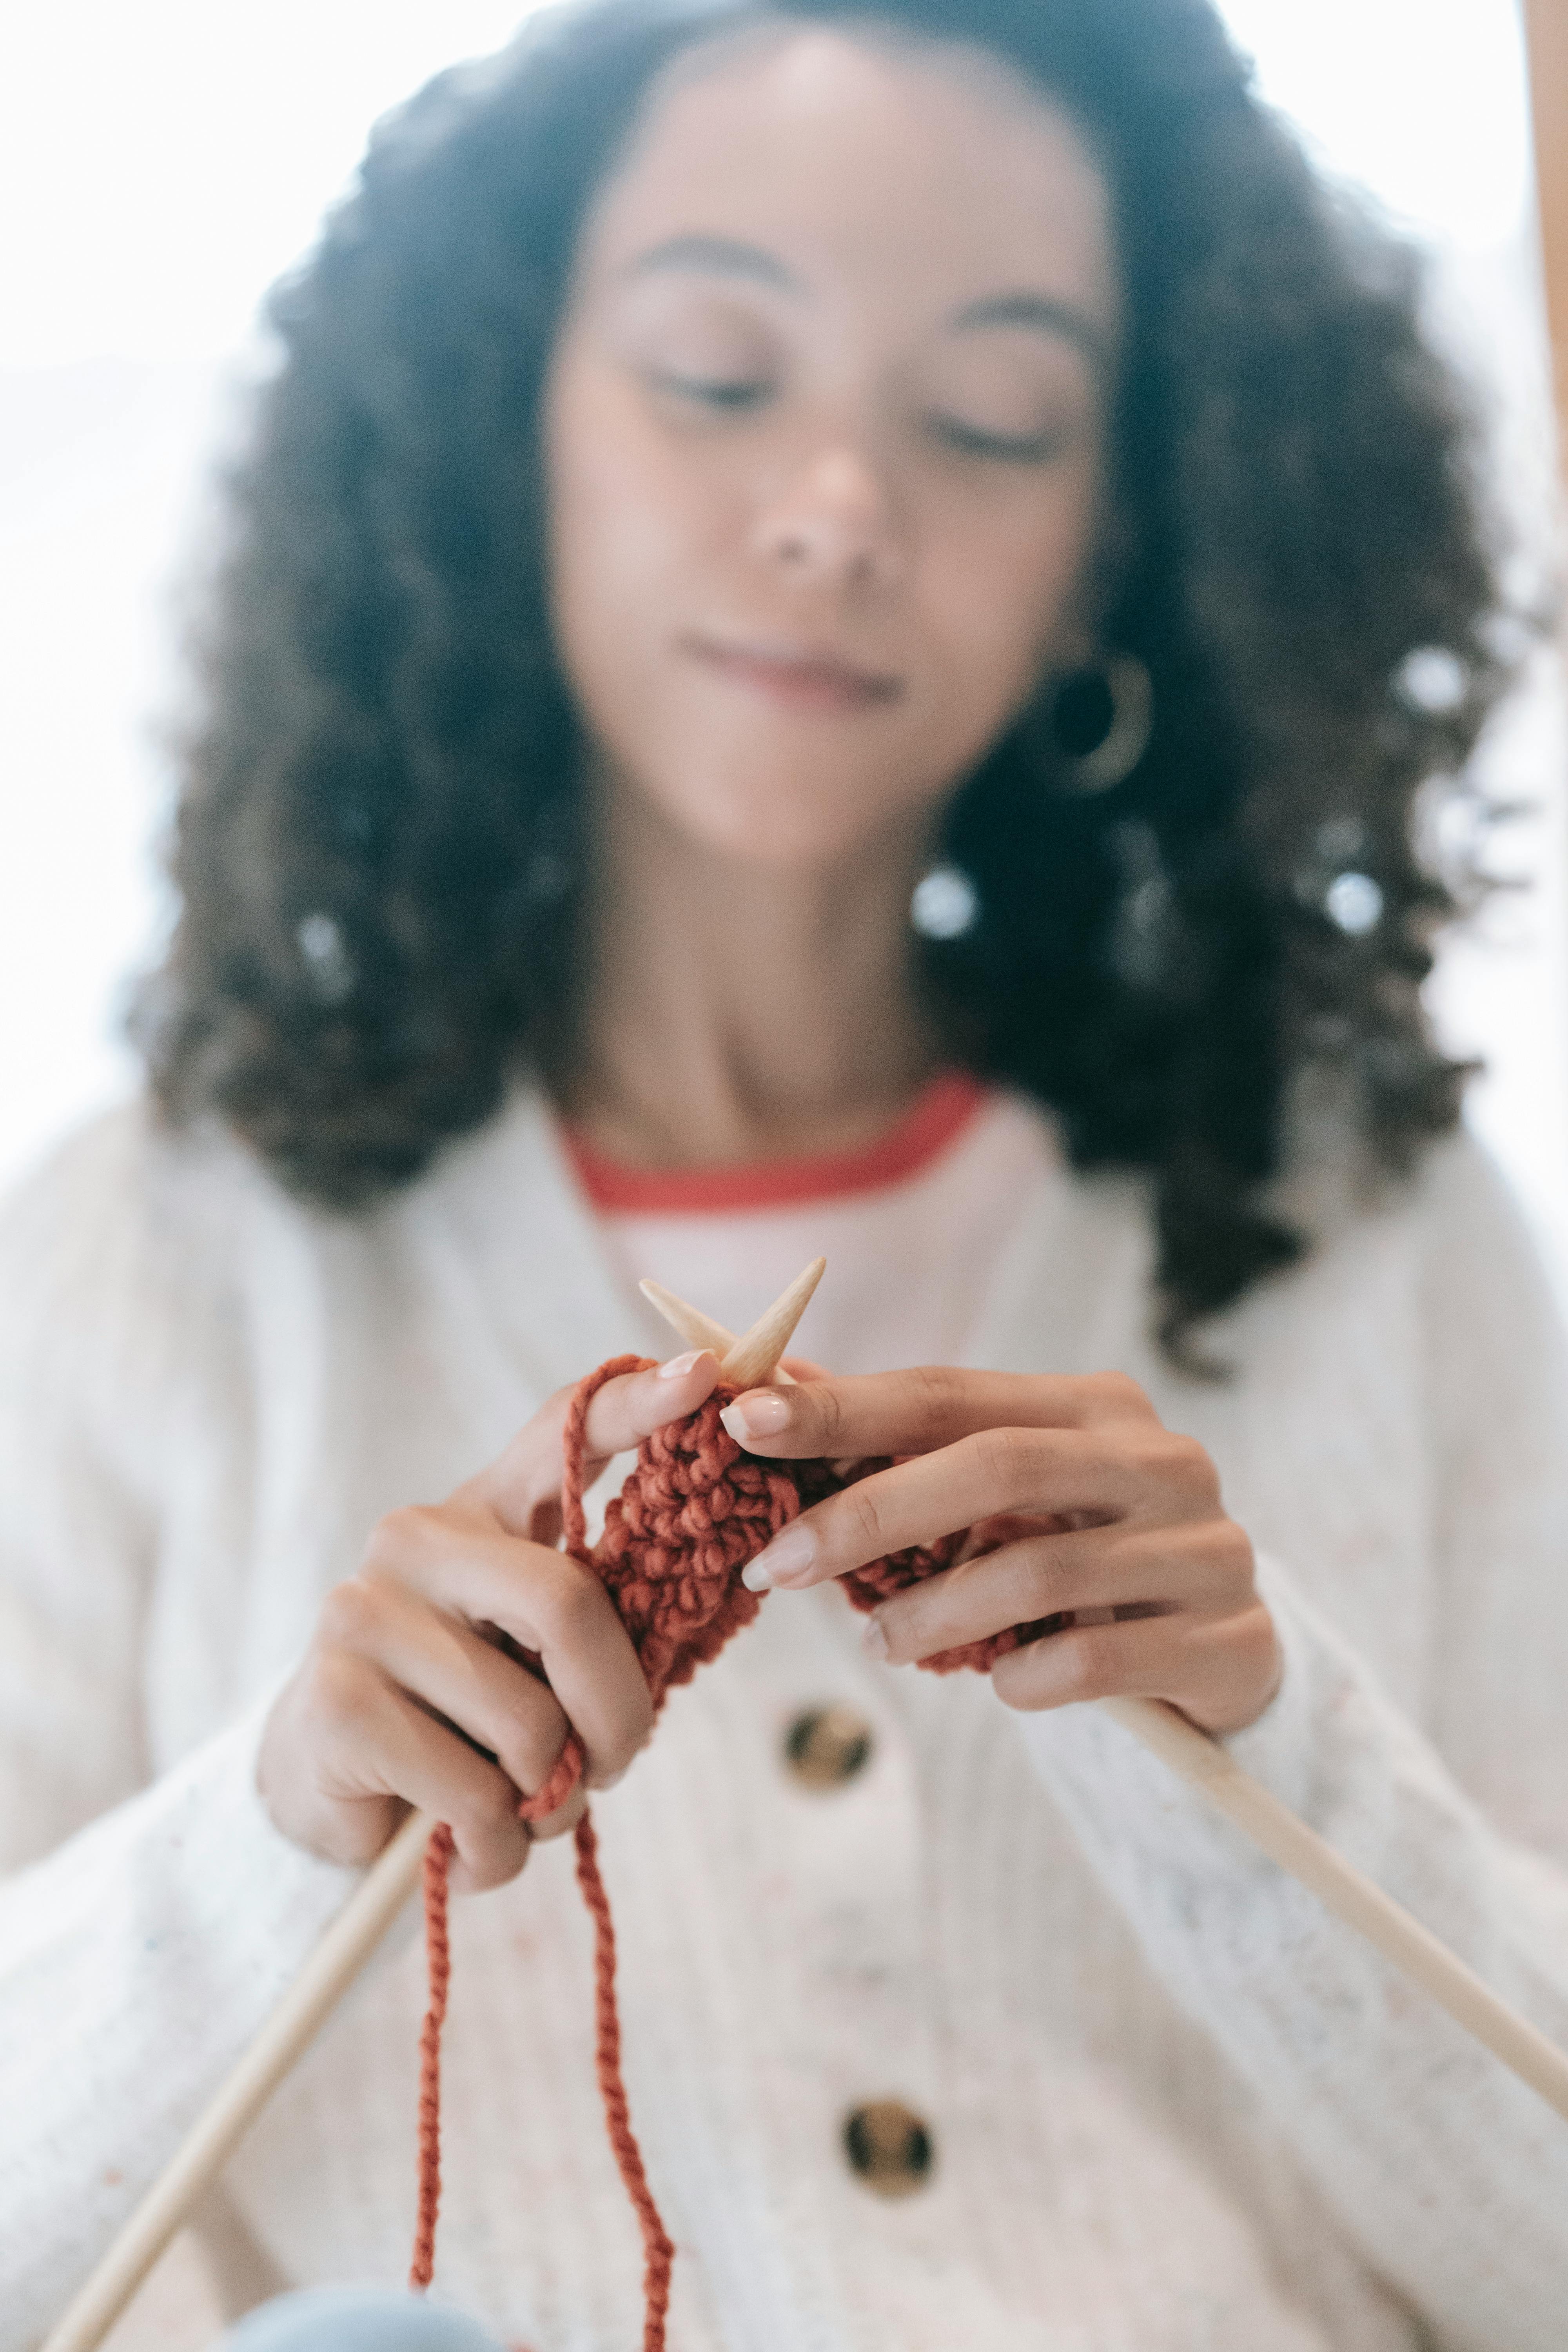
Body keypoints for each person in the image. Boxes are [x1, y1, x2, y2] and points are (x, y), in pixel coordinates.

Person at [3, 0, 1566, 2344]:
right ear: (500, 419)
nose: (841, 502)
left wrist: (1274, 1750)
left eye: (987, 417)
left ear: (1120, 527)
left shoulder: (1367, 1237)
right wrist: (279, 1821)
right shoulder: (146, 1261)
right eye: (719, 377)